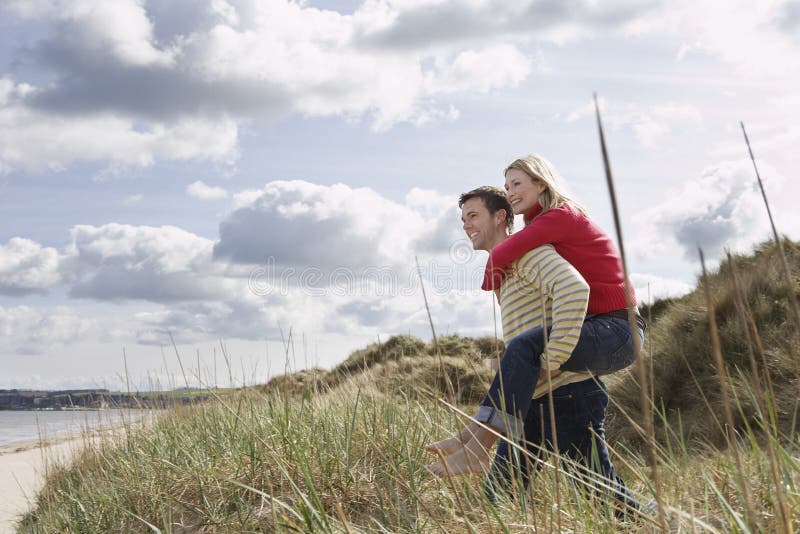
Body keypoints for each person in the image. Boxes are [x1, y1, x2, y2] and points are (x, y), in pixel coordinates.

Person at [425, 184, 636, 509]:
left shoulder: (528, 252)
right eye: (463, 218)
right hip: (530, 400)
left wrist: (552, 359)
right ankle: (472, 443)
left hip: (569, 394)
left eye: (473, 215)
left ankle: (671, 527)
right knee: (500, 499)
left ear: (500, 216)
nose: (466, 225)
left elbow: (573, 288)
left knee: (603, 498)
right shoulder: (507, 266)